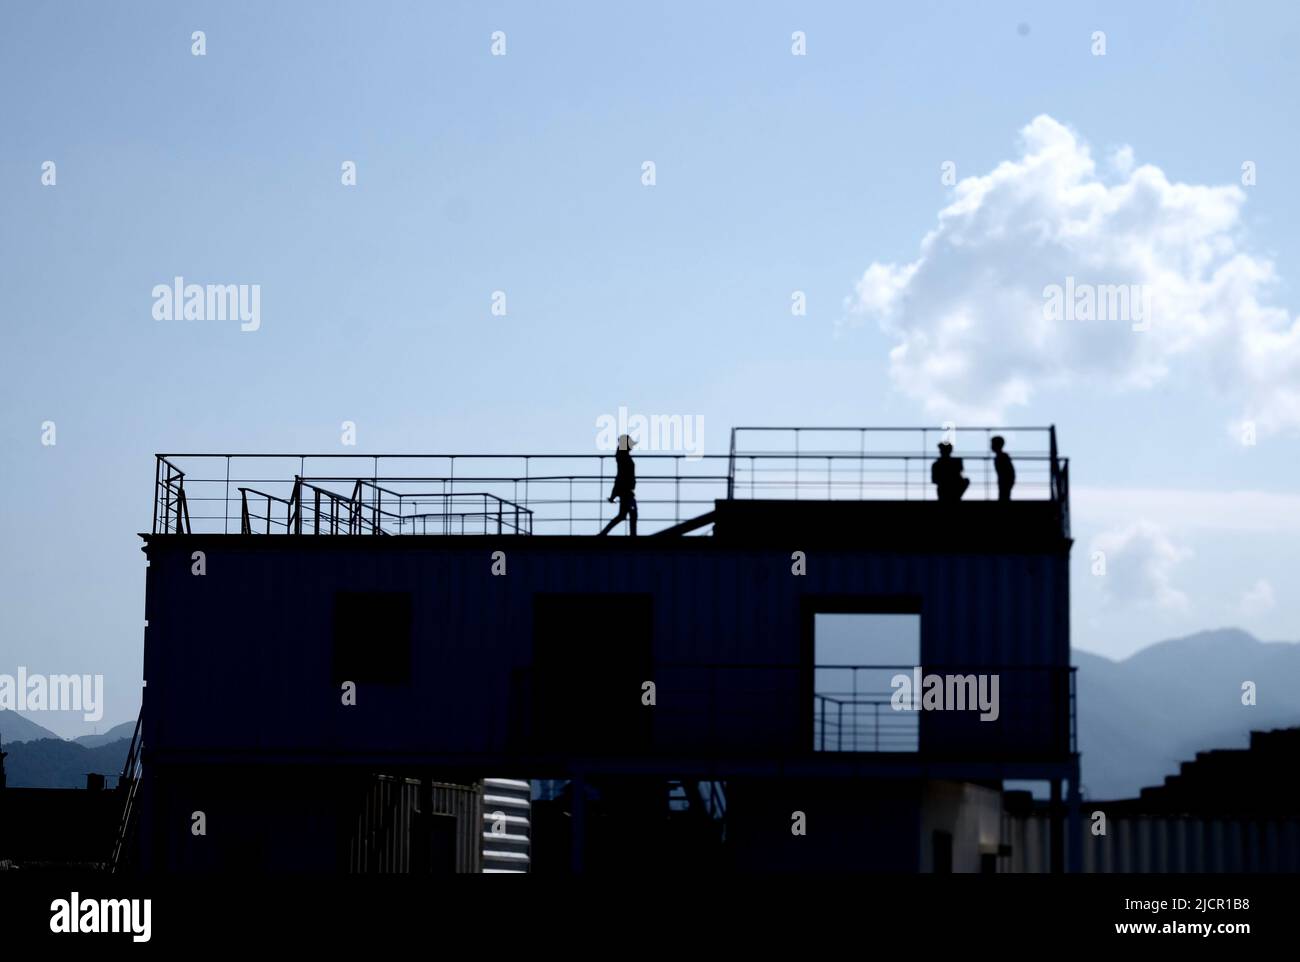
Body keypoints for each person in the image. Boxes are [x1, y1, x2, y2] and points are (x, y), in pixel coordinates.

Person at [598, 435, 637, 535]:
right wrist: (614, 494)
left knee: (623, 515)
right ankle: (633, 536)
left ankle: (603, 533)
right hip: (627, 490)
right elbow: (621, 476)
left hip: (625, 490)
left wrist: (614, 494)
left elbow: (619, 476)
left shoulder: (622, 457)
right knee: (631, 513)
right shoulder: (624, 458)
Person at [991, 435, 1015, 501]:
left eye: (992, 444)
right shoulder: (1002, 457)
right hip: (1004, 481)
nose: (991, 446)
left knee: (1003, 497)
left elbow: (1008, 471)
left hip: (1004, 481)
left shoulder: (1001, 457)